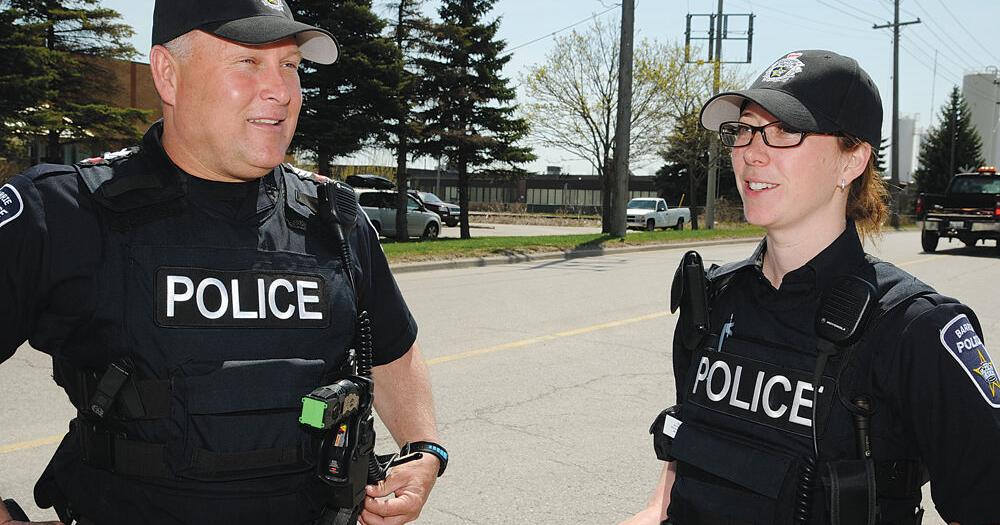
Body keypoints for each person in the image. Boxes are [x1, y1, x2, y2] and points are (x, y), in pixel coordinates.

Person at [0, 1, 446, 523]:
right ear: (168, 74)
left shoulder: (335, 218)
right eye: (249, 62)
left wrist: (424, 451)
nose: (281, 91)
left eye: (290, 67)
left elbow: (392, 349)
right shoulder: (61, 211)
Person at [621, 50, 1000, 525]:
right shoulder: (713, 300)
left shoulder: (916, 329)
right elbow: (682, 467)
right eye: (744, 130)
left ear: (852, 160)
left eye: (784, 131)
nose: (752, 152)